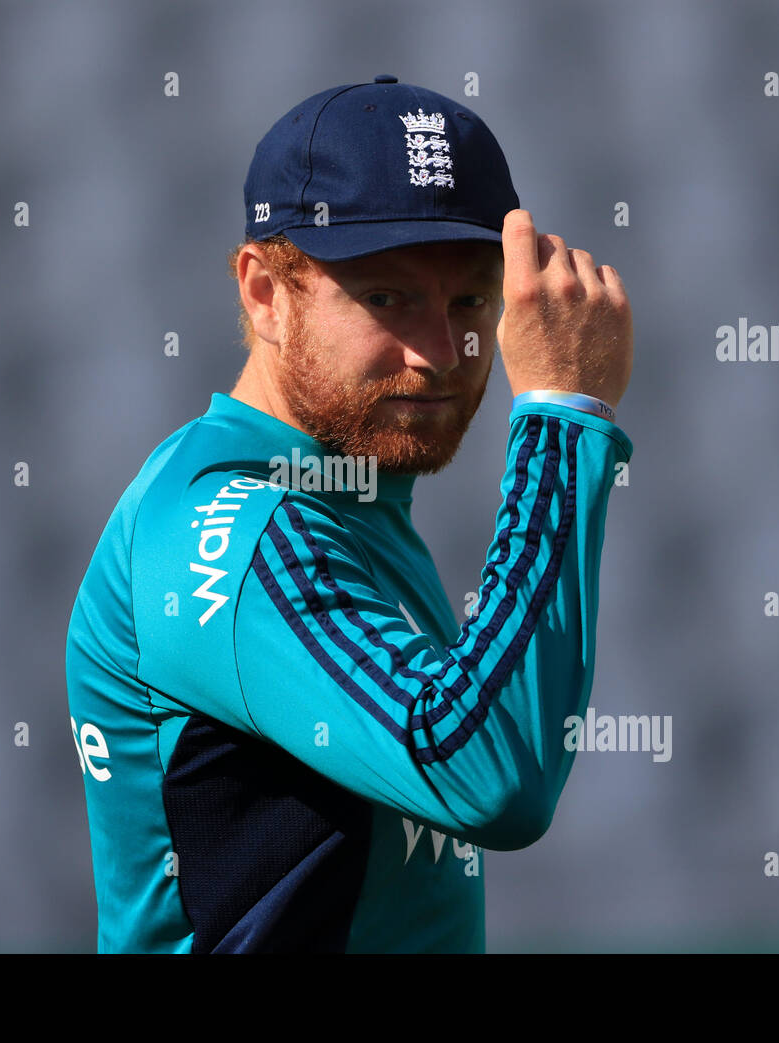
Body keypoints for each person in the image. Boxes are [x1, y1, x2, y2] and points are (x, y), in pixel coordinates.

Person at [65, 75, 634, 953]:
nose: (439, 352)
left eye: (471, 301)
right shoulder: (238, 522)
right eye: (387, 297)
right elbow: (487, 771)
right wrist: (561, 417)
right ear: (264, 292)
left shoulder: (347, 496)